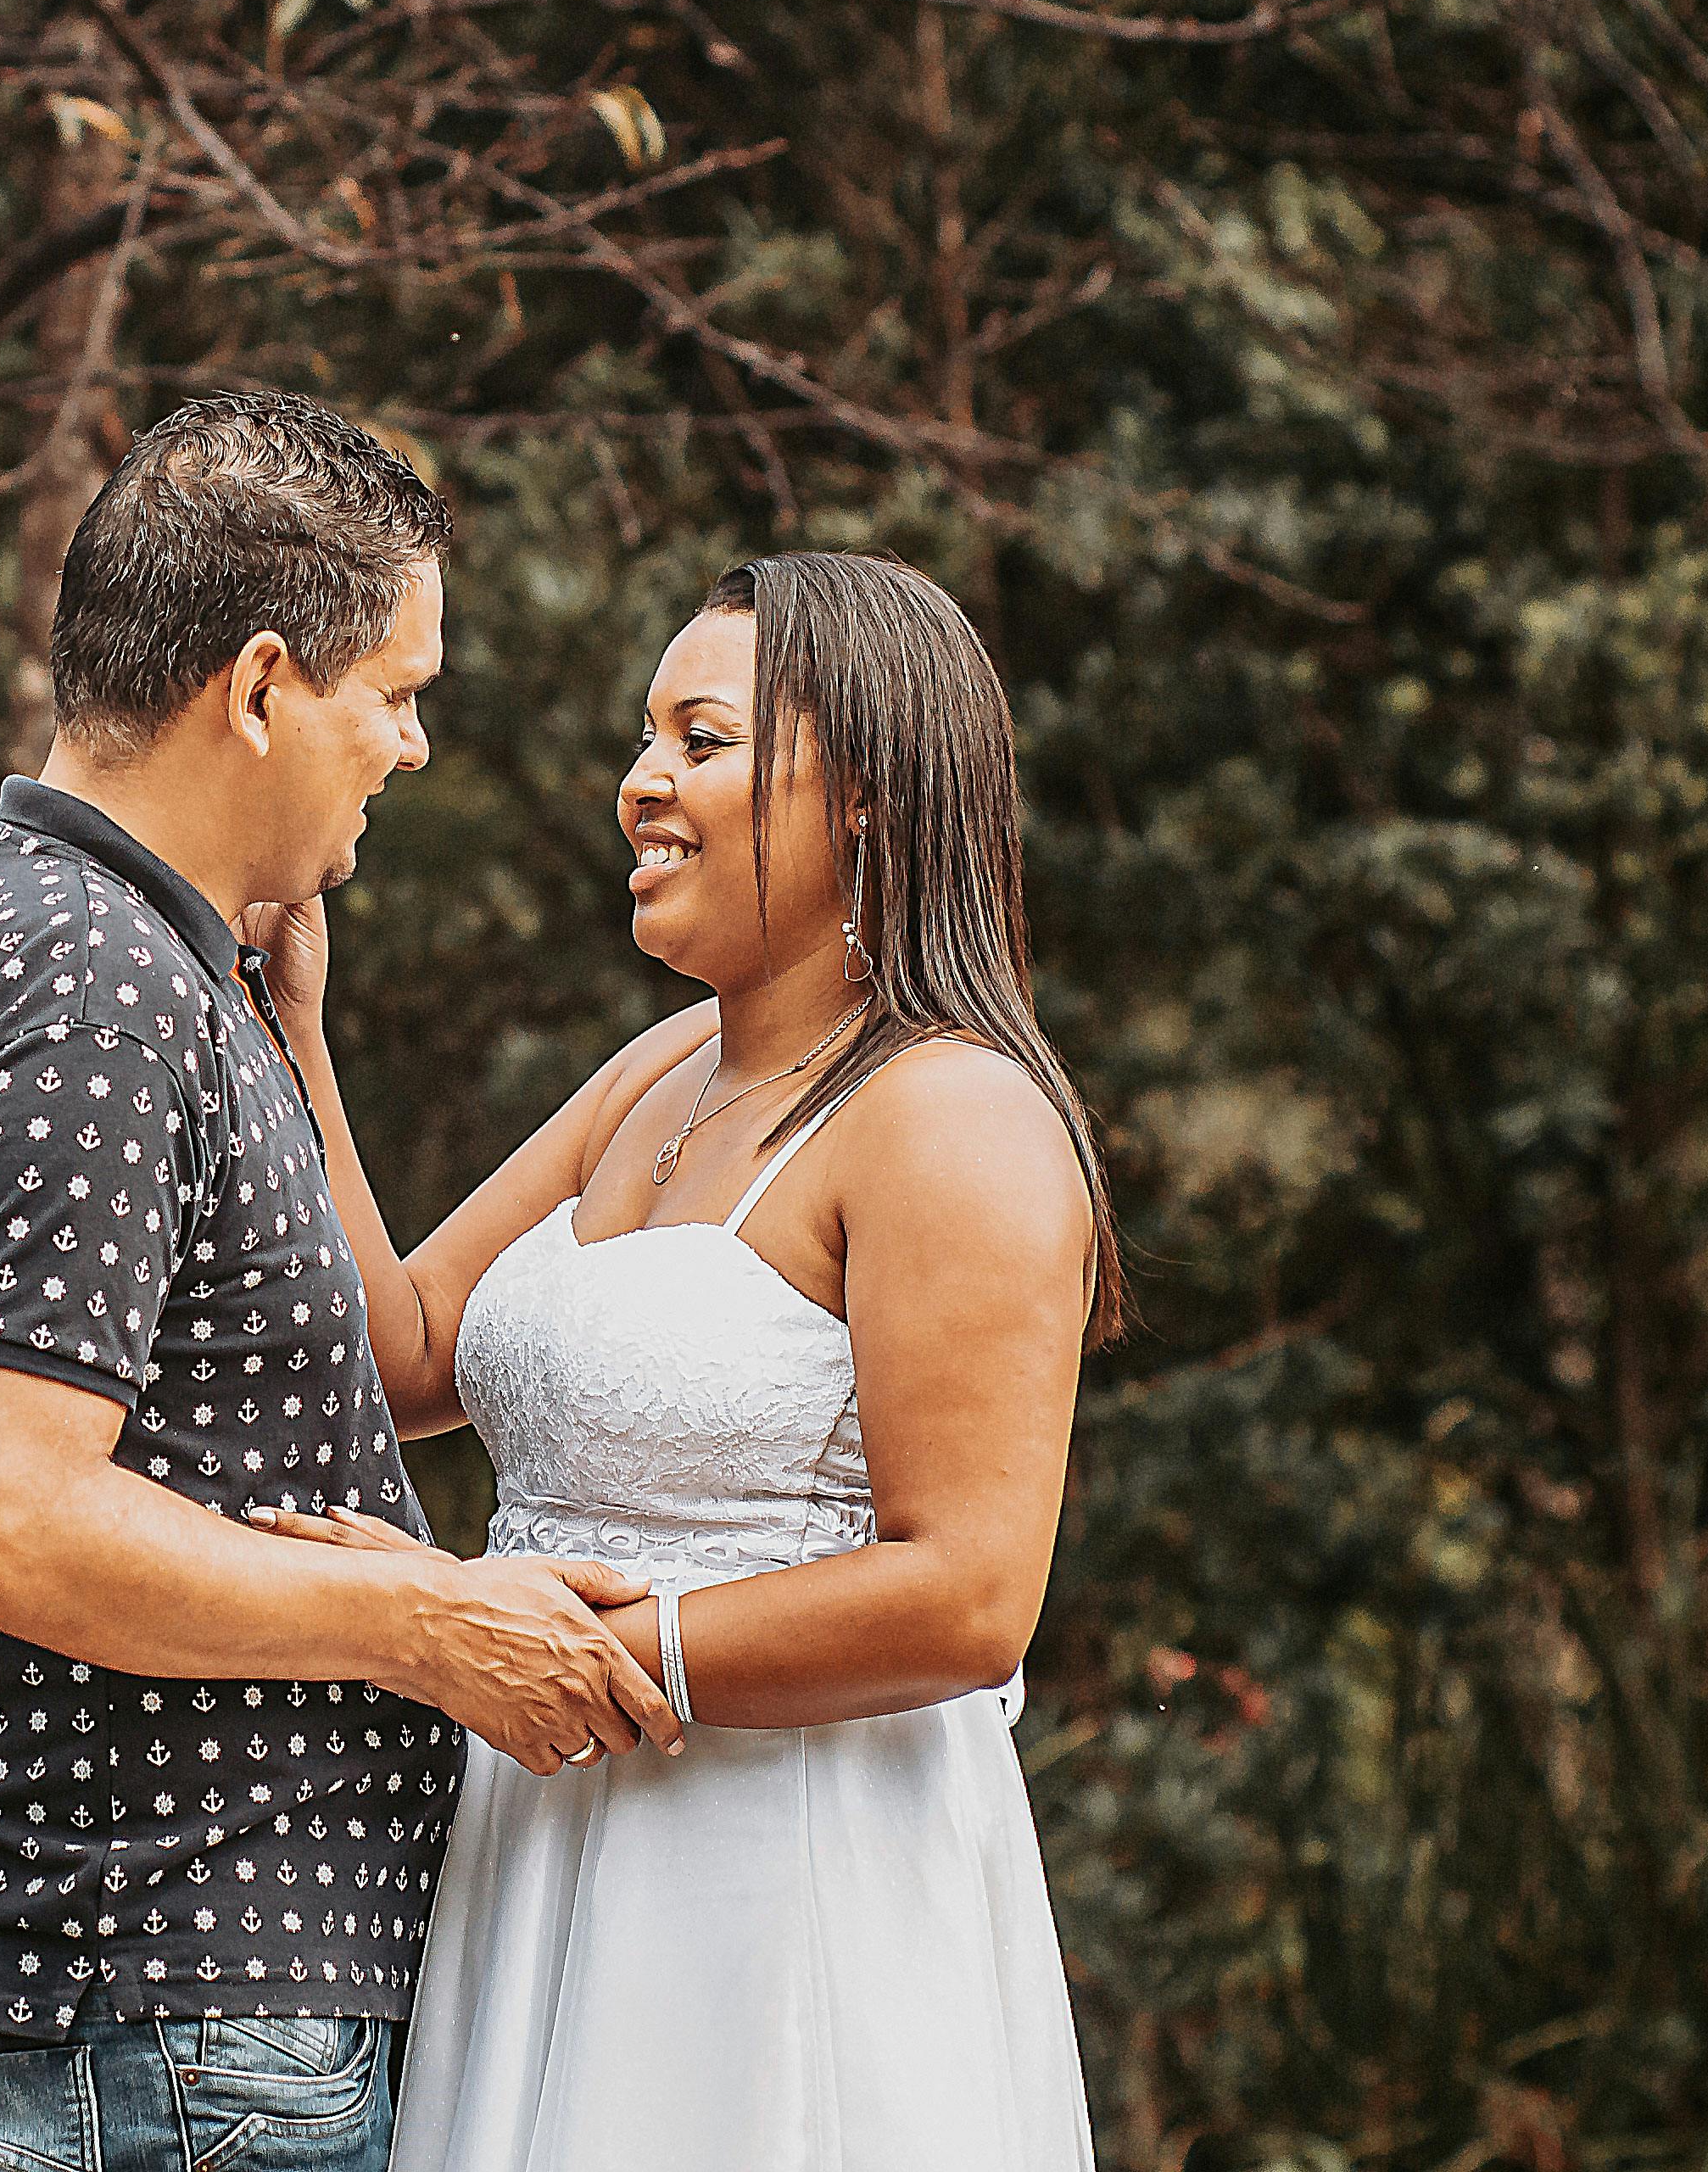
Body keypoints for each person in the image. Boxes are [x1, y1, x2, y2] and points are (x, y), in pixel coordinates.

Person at [0, 390, 679, 2172]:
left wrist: (297, 1036)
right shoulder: (87, 988)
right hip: (153, 2011)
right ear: (266, 684)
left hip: (158, 2014)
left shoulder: (109, 959)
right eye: (401, 692)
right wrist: (432, 1627)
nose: (415, 746)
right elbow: (3, 1522)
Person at [252, 550, 1117, 2172]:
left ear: (862, 794)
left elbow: (974, 1593)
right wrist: (297, 1032)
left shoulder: (954, 1120)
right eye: (647, 739)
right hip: (544, 1847)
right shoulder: (660, 1069)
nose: (641, 784)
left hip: (780, 1877)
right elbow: (404, 1351)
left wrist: (583, 1648)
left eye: (702, 742)